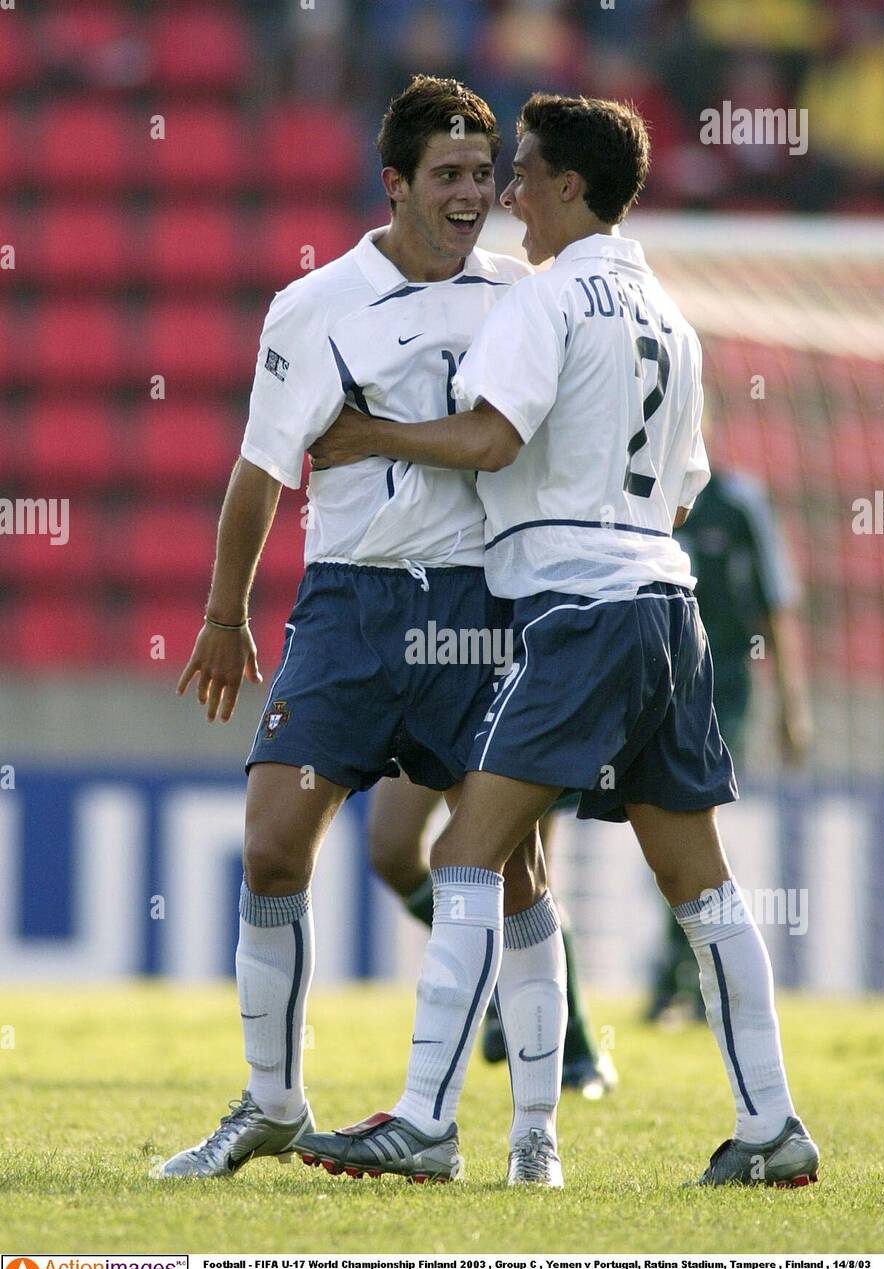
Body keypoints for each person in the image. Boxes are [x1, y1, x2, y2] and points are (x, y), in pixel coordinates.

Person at [301, 93, 819, 1188]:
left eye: (521, 171)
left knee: (464, 854)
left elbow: (490, 439)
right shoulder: (669, 320)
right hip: (664, 614)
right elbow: (684, 494)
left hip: (577, 614)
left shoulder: (547, 299)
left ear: (569, 185)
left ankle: (427, 1123)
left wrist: (365, 436)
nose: (504, 193)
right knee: (704, 890)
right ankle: (771, 1122)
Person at [156, 76, 568, 1183]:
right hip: (349, 600)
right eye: (449, 175)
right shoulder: (315, 304)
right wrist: (221, 612)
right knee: (271, 841)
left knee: (517, 862)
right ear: (394, 185)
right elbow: (258, 468)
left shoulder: (524, 294)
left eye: (485, 173)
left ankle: (535, 1132)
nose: (473, 193)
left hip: (479, 601)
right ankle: (272, 1101)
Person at [647, 462, 813, 1022]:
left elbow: (777, 602)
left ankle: (683, 978)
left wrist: (793, 704)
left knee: (697, 817)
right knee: (663, 823)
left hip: (723, 690)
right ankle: (684, 973)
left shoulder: (739, 502)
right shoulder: (643, 492)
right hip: (652, 684)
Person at [369, 774, 617, 1096]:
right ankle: (503, 982)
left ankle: (574, 1051)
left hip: (516, 726)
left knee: (524, 874)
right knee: (392, 851)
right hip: (431, 721)